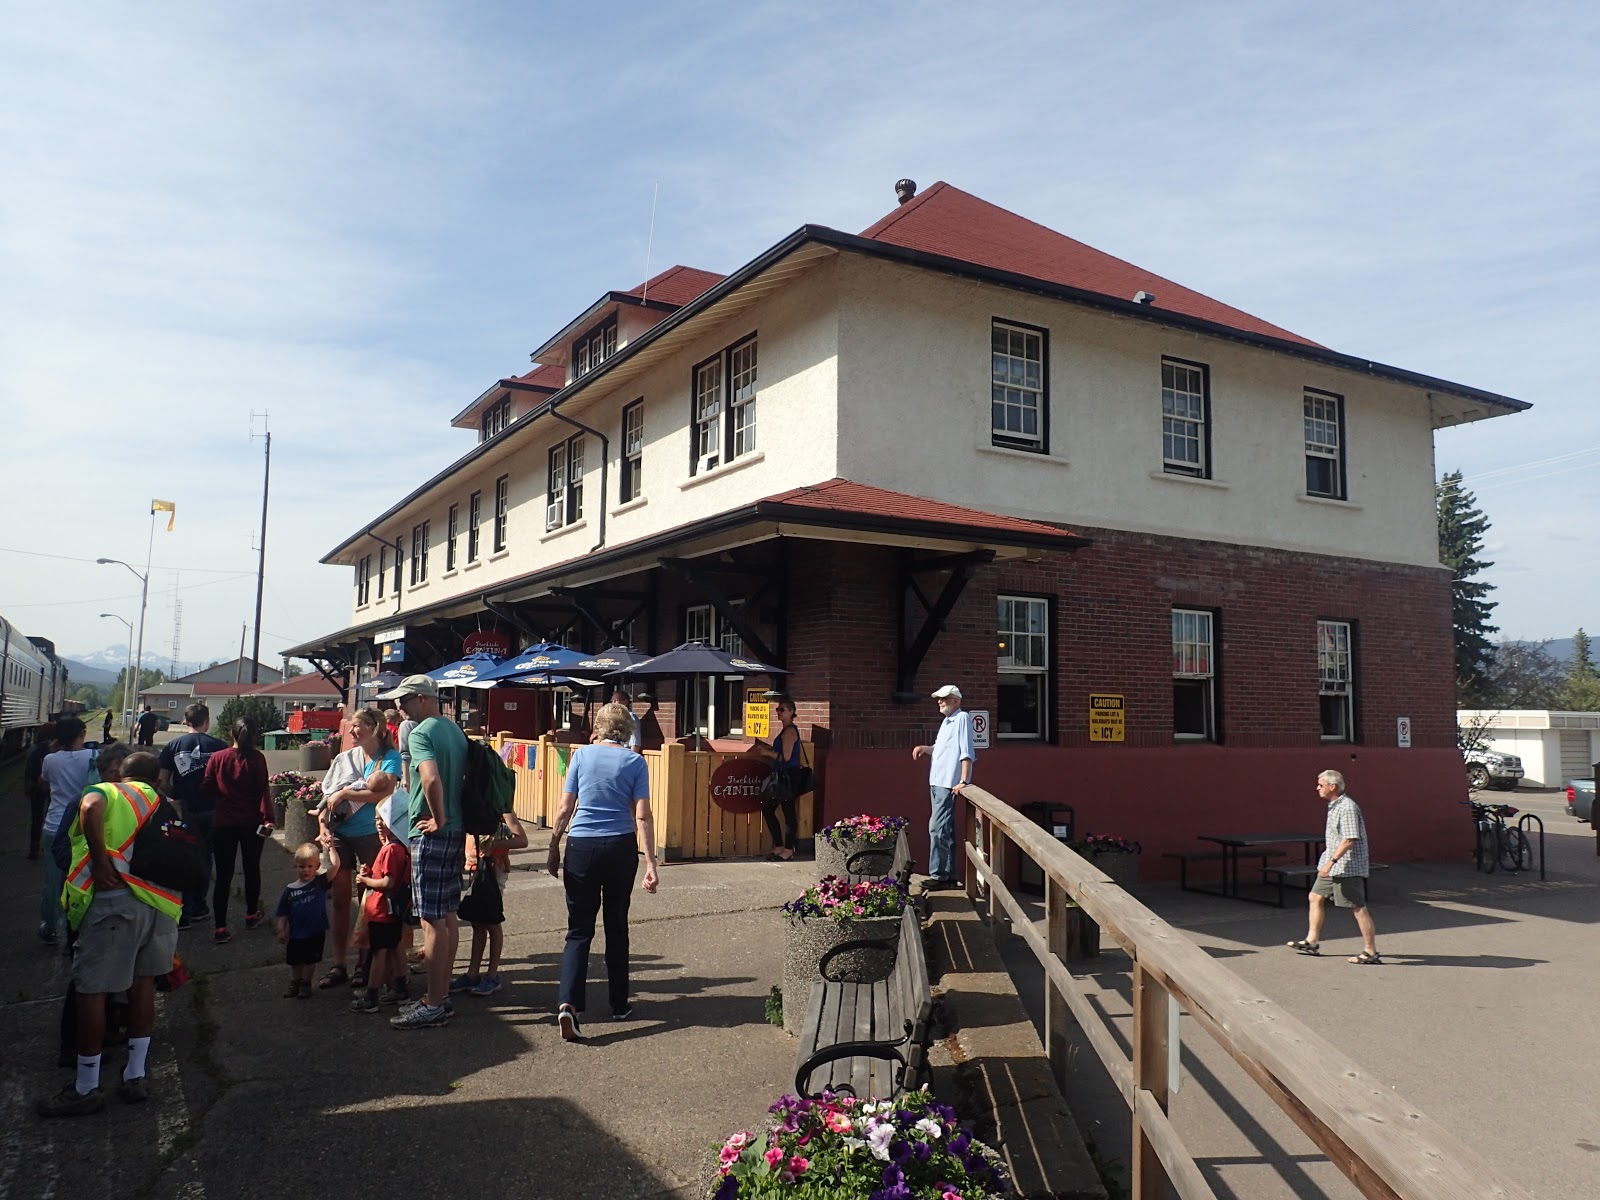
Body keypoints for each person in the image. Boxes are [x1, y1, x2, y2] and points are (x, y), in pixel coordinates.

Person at [37, 751, 180, 1117]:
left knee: (92, 991)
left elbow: (89, 806)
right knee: (144, 984)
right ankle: (135, 1075)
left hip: (116, 903)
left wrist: (100, 862)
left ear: (121, 774)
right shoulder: (166, 803)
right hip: (160, 903)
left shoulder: (111, 792)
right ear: (157, 780)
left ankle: (86, 1086)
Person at [547, 701, 659, 1040]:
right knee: (616, 925)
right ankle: (619, 1003)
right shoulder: (635, 761)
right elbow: (642, 815)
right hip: (620, 847)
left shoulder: (581, 756)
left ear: (597, 727)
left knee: (578, 930)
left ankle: (569, 1004)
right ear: (626, 731)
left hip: (581, 846)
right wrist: (652, 863)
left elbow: (566, 807)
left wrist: (553, 846)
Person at [376, 674, 469, 1030]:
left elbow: (429, 778)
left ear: (421, 698)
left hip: (433, 830)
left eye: (404, 700)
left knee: (430, 917)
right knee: (447, 914)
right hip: (456, 829)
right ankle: (440, 996)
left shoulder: (420, 733)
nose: (399, 707)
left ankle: (433, 1002)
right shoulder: (455, 730)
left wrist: (438, 817)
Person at [314, 708, 399, 990]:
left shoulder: (389, 758)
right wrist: (324, 825)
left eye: (357, 726)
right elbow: (327, 797)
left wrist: (347, 793)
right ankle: (339, 964)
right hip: (340, 834)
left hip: (370, 834)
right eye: (350, 727)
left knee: (368, 903)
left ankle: (364, 964)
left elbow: (383, 793)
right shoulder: (343, 759)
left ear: (375, 728)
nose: (351, 732)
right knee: (339, 900)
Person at [1288, 770, 1380, 964]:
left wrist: (1331, 862)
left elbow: (1349, 839)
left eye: (1321, 785)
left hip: (1347, 866)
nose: (1317, 788)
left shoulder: (1347, 807)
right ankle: (1312, 941)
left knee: (1357, 907)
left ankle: (1371, 952)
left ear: (1333, 787)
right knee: (1315, 897)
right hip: (1331, 866)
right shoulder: (1334, 805)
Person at [203, 718, 274, 945]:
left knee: (223, 876)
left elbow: (206, 787)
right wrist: (269, 819)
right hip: (252, 823)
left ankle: (220, 927)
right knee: (252, 868)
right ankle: (251, 915)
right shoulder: (257, 759)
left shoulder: (218, 758)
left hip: (223, 823)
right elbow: (264, 790)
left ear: (231, 733)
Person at [157, 703, 228, 930]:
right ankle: (198, 904)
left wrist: (174, 797)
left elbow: (163, 782)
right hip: (212, 809)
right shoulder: (220, 747)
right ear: (206, 721)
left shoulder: (172, 747)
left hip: (183, 810)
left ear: (186, 722)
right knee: (205, 857)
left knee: (182, 856)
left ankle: (182, 908)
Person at [452, 810, 528, 997]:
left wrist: (493, 845)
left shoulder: (502, 808)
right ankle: (472, 973)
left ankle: (492, 975)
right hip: (475, 870)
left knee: (492, 922)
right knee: (477, 923)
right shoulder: (471, 804)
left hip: (493, 873)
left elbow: (521, 840)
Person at [910, 684, 974, 890]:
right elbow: (941, 748)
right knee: (945, 829)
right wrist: (925, 748)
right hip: (937, 781)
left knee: (936, 828)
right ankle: (948, 875)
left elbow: (967, 751)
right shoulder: (947, 721)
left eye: (944, 698)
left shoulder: (962, 718)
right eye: (939, 698)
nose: (939, 701)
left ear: (956, 700)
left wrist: (964, 780)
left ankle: (938, 876)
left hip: (948, 783)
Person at [352, 787, 411, 1012]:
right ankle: (400, 988)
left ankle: (371, 996)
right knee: (397, 948)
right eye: (376, 818)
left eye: (382, 818)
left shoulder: (389, 851)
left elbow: (387, 882)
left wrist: (366, 881)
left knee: (378, 953)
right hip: (395, 910)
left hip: (380, 911)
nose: (378, 823)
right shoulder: (401, 848)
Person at [38, 717, 95, 943]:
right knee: (81, 877)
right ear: (81, 733)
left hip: (53, 825)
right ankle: (76, 924)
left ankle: (49, 926)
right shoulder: (92, 757)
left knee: (53, 880)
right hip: (81, 826)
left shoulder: (50, 760)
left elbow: (44, 782)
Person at [747, 693, 804, 861]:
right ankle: (779, 846)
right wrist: (767, 748)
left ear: (792, 711)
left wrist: (766, 752)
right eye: (777, 709)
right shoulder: (785, 730)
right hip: (782, 773)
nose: (778, 712)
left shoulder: (790, 731)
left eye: (782, 710)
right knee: (769, 808)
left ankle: (787, 849)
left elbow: (786, 757)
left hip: (787, 774)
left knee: (788, 812)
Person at [275, 843, 331, 998]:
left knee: (310, 960)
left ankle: (306, 983)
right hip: (296, 933)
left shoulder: (319, 884)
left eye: (309, 866)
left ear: (317, 866)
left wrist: (330, 848)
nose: (305, 870)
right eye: (301, 866)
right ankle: (295, 982)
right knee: (295, 961)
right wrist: (281, 929)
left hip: (315, 931)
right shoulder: (290, 889)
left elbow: (336, 866)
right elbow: (283, 912)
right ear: (295, 866)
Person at [24, 727, 58, 861]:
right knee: (47, 816)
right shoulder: (46, 748)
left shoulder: (34, 747)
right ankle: (46, 846)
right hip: (44, 785)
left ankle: (34, 848)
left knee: (36, 818)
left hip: (33, 786)